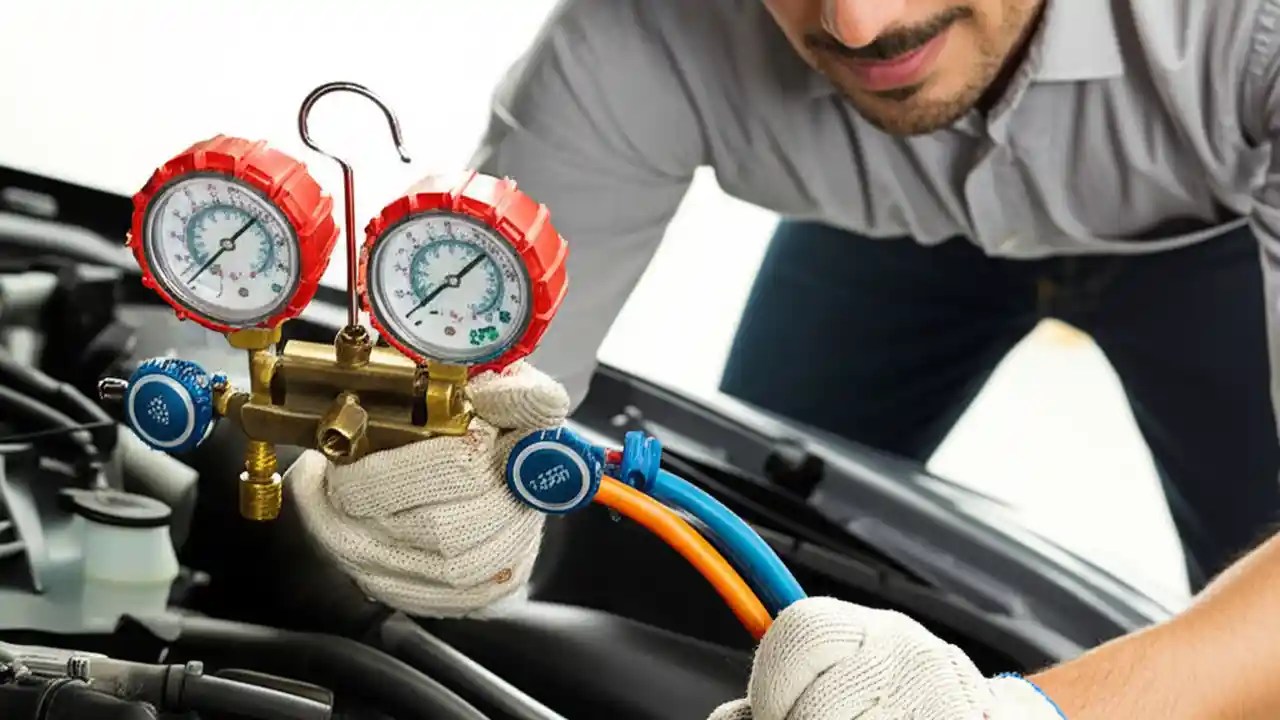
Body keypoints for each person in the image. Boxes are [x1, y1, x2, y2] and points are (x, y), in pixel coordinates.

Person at [289, 0, 1280, 716]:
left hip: (1216, 243)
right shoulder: (632, 33)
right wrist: (416, 490)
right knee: (722, 588)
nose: (858, 24)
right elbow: (461, 393)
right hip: (894, 239)